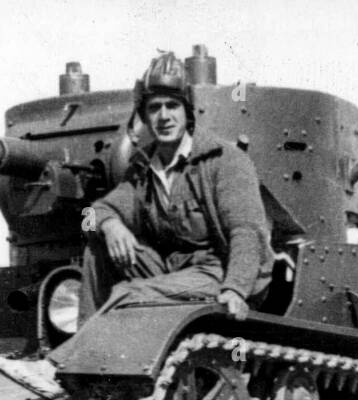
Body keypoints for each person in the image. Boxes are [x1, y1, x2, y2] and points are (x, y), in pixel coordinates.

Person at [79, 52, 274, 324]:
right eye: (154, 107)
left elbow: (247, 231)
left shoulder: (224, 160)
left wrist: (235, 288)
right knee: (96, 247)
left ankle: (69, 359)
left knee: (128, 294)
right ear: (144, 116)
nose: (164, 116)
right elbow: (92, 214)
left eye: (172, 105)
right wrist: (110, 224)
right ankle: (81, 353)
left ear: (187, 111)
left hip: (217, 272)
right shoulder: (144, 169)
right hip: (170, 273)